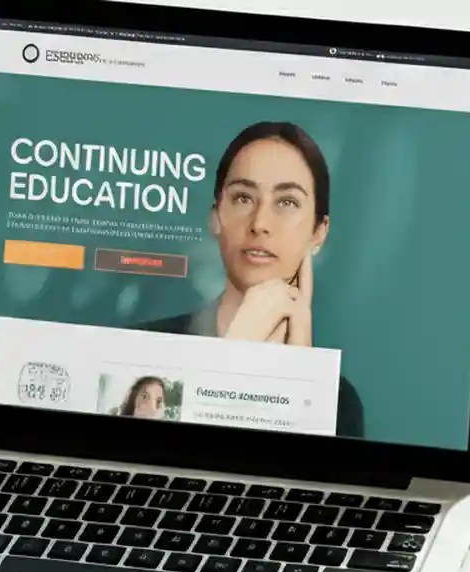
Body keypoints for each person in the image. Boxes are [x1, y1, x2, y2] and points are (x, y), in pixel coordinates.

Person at [140, 122, 363, 437]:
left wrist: (304, 377)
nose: (260, 223)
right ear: (215, 217)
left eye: (287, 202)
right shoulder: (143, 350)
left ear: (318, 232)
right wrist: (233, 357)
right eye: (243, 198)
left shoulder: (338, 402)